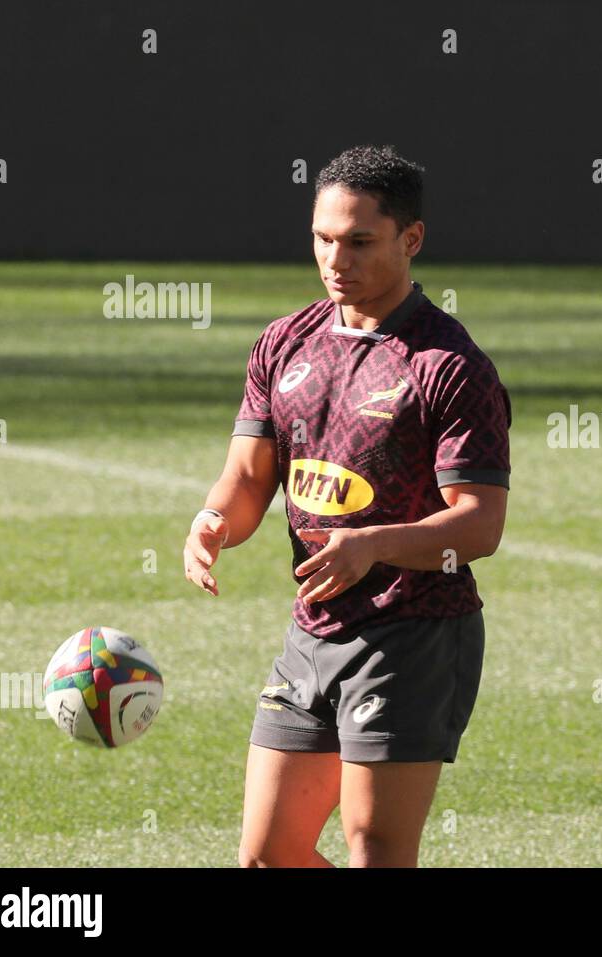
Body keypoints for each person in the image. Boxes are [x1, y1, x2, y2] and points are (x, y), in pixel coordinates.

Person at [182, 144, 511, 867]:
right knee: (268, 854)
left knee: (376, 849)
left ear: (410, 239)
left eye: (360, 241)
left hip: (412, 632)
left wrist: (372, 544)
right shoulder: (283, 343)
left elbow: (480, 523)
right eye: (323, 239)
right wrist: (214, 521)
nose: (336, 260)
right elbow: (248, 476)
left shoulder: (449, 367)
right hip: (313, 629)